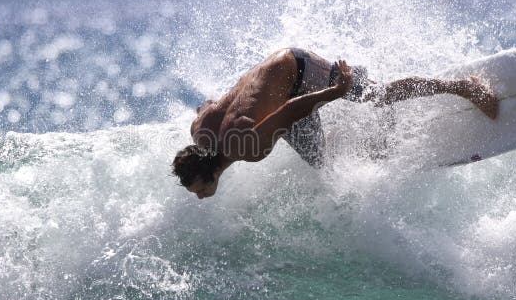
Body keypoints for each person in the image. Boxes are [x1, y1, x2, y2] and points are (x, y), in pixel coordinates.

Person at [172, 47, 498, 198]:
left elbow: (290, 111)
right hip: (280, 88)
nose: (199, 196)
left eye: (199, 189)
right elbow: (207, 105)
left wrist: (336, 91)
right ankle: (360, 138)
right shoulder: (200, 129)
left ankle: (463, 87)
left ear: (210, 172)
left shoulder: (247, 147)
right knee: (321, 162)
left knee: (375, 95)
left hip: (297, 70)